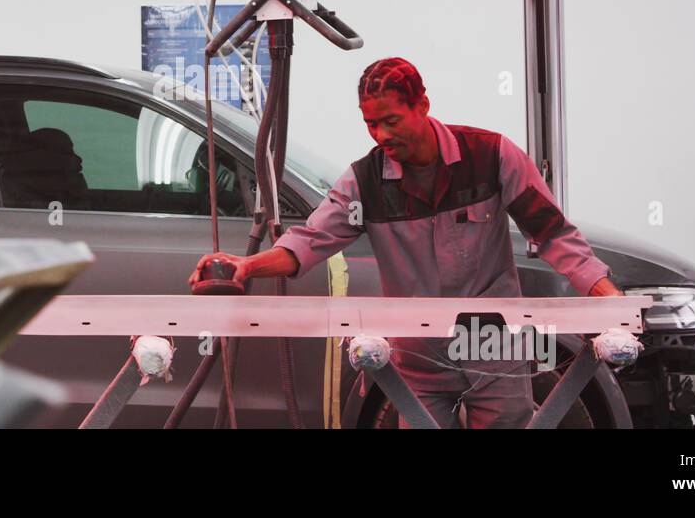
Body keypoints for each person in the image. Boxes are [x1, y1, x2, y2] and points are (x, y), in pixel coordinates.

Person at [188, 57, 623, 428]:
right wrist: (247, 267)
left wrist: (610, 301)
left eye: (391, 121)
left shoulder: (490, 156)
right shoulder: (366, 182)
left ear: (423, 106)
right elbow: (308, 241)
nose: (380, 135)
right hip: (419, 361)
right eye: (370, 124)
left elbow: (551, 232)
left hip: (492, 349)